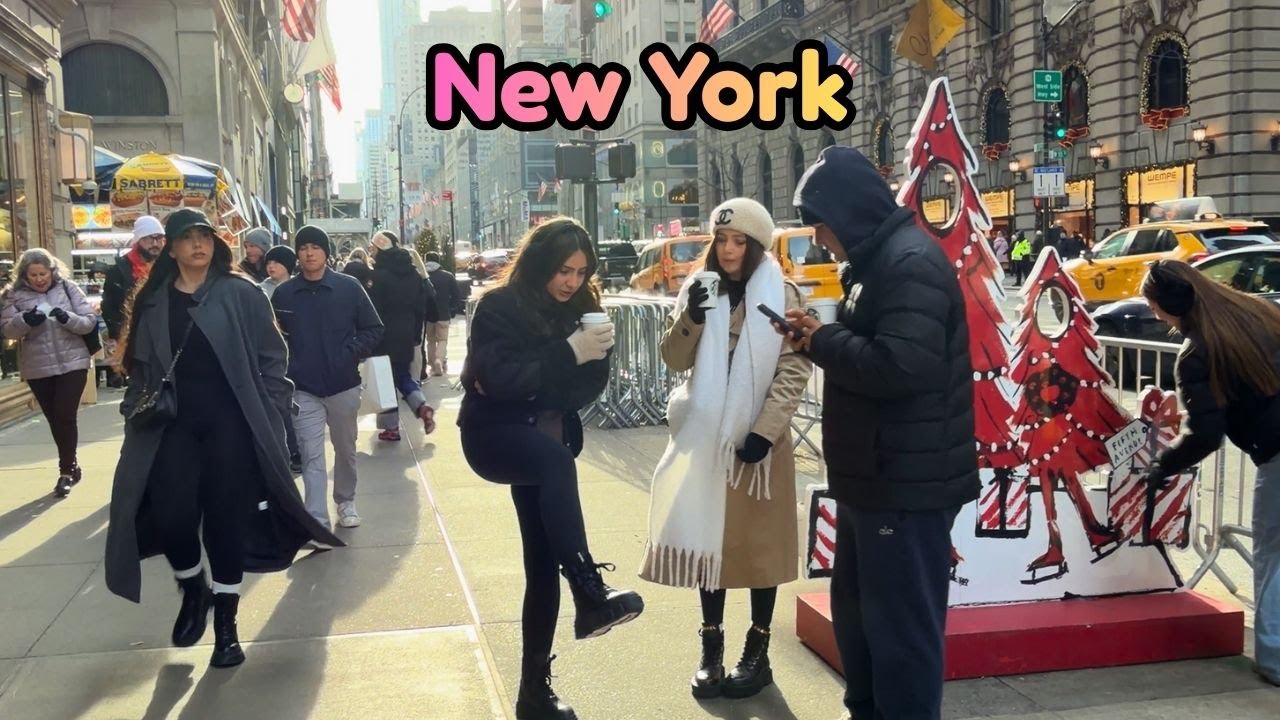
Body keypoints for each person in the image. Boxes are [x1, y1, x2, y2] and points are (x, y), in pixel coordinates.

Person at [786, 146, 980, 720]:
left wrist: (823, 340)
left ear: (847, 215)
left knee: (900, 633)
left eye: (822, 225)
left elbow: (900, 367)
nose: (820, 238)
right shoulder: (880, 262)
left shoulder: (909, 262)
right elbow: (879, 355)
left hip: (904, 484)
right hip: (876, 479)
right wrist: (818, 339)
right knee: (861, 619)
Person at [104, 209, 342, 669]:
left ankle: (227, 626)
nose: (198, 245)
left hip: (232, 424)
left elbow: (273, 356)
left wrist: (272, 408)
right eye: (187, 238)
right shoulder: (154, 299)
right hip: (172, 425)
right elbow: (141, 366)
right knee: (172, 517)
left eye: (205, 237)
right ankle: (193, 587)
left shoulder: (240, 292)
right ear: (171, 247)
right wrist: (133, 408)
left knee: (225, 521)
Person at [459, 217, 644, 720]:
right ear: (541, 263)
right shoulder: (499, 306)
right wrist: (567, 354)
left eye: (581, 272)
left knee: (541, 565)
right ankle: (589, 591)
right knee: (554, 463)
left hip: (546, 433)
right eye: (564, 270)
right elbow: (500, 380)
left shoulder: (584, 308)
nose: (572, 282)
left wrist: (555, 371)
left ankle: (534, 694)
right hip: (493, 436)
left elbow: (588, 385)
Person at [641, 198, 812, 700]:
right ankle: (710, 647)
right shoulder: (700, 289)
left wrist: (763, 431)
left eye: (740, 241)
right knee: (706, 542)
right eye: (722, 240)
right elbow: (675, 359)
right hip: (707, 439)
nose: (729, 249)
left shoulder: (782, 292)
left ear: (757, 247)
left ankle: (757, 653)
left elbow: (794, 368)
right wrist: (692, 318)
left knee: (760, 550)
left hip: (759, 445)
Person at [1140, 259, 1280, 687]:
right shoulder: (1259, 312)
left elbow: (1206, 433)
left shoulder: (1197, 352)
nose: (1156, 317)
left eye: (1155, 309)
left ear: (1170, 306)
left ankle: (1275, 659)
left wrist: (1164, 464)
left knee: (1273, 556)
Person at [272, 225, 384, 530]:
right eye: (303, 248)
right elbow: (272, 338)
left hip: (343, 384)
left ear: (326, 252)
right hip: (302, 388)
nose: (309, 253)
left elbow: (374, 328)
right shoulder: (284, 294)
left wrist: (349, 353)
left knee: (345, 450)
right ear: (297, 254)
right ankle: (316, 519)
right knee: (311, 454)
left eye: (315, 247)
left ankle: (346, 501)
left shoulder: (348, 288)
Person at [1, 249, 98, 497]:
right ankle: (72, 464)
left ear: (52, 271)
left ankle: (66, 471)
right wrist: (26, 320)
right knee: (55, 419)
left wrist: (67, 318)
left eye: (43, 274)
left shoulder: (67, 287)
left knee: (65, 416)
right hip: (38, 367)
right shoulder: (13, 295)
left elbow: (89, 321)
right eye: (33, 275)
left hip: (73, 363)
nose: (39, 279)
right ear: (25, 275)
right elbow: (8, 330)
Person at [368, 230, 436, 442]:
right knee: (402, 374)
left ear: (381, 248)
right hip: (406, 334)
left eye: (373, 247)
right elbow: (420, 308)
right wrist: (415, 335)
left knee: (385, 381)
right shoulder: (414, 275)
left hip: (382, 336)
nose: (371, 251)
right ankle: (421, 405)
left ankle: (391, 428)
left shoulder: (378, 276)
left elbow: (372, 310)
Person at [102, 216, 165, 385]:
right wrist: (120, 338)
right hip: (134, 338)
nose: (155, 243)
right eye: (149, 238)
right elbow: (110, 307)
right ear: (138, 240)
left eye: (159, 238)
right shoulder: (119, 270)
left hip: (163, 334)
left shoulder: (169, 265)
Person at [423, 250, 465, 378]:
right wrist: (453, 308)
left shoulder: (422, 276)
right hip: (443, 313)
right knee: (442, 339)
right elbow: (457, 294)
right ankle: (439, 360)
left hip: (427, 314)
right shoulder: (447, 276)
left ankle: (432, 363)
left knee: (430, 340)